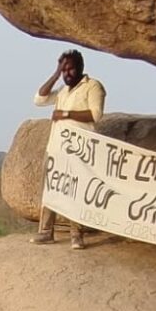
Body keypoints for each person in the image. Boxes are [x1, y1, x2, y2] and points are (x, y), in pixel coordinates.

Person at [32, 48, 105, 250]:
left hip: (79, 149)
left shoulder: (93, 86)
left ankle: (76, 234)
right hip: (56, 148)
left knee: (76, 190)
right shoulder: (63, 91)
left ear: (80, 68)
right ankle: (46, 232)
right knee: (50, 188)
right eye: (64, 70)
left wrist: (65, 114)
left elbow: (96, 114)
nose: (67, 74)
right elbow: (39, 99)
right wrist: (56, 74)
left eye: (70, 69)